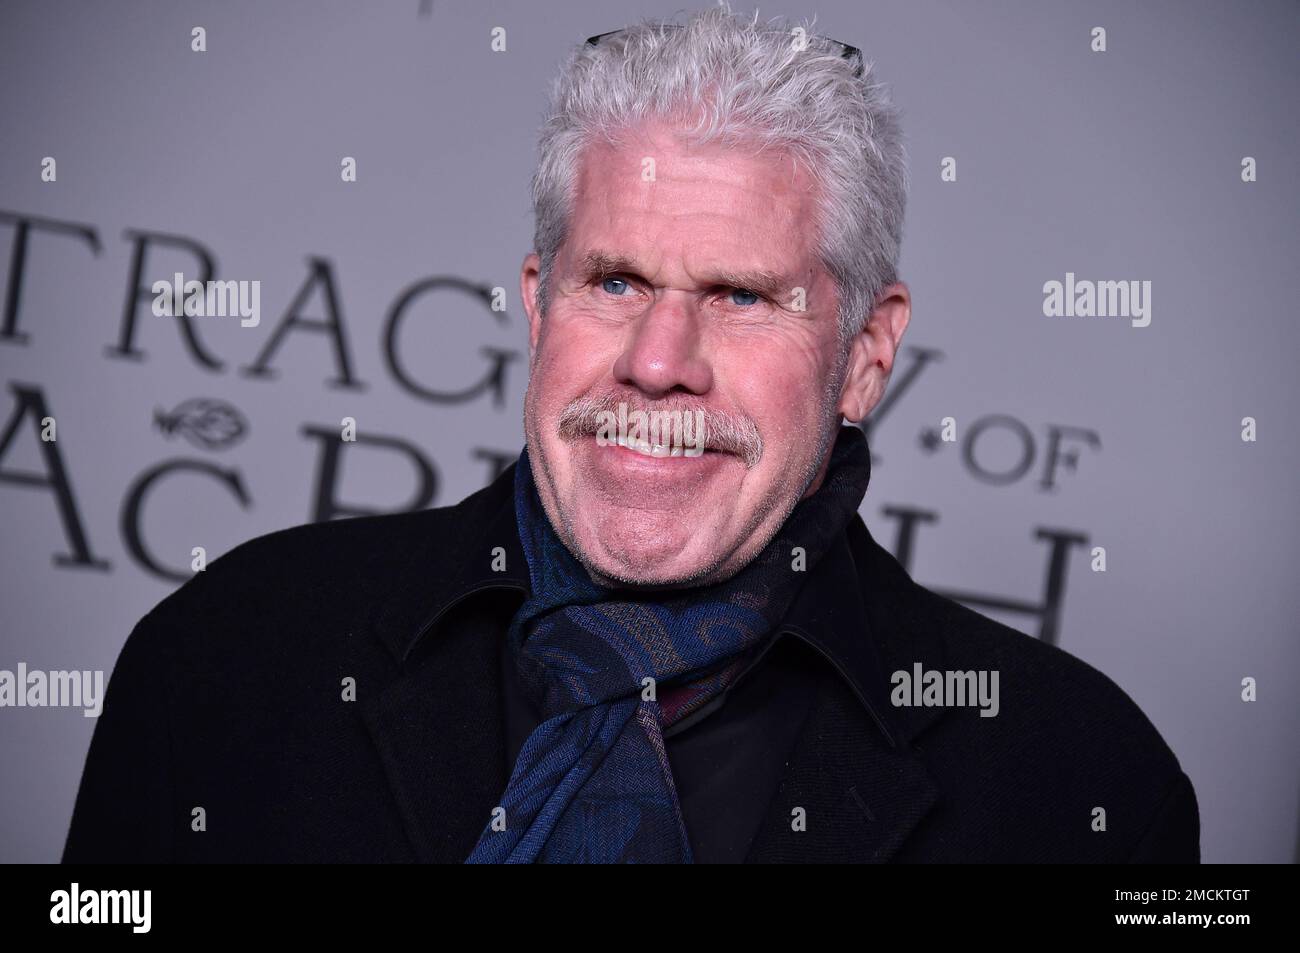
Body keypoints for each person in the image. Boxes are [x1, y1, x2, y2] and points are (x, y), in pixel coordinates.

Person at [63, 7, 1198, 863]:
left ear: (863, 352)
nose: (657, 363)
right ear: (537, 303)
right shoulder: (229, 656)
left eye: (739, 296)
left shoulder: (1083, 784)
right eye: (614, 281)